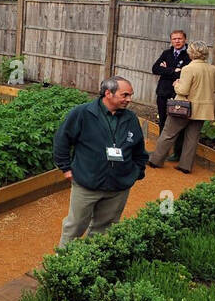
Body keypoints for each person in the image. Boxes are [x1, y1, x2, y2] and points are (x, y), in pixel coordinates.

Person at [53, 76, 148, 246]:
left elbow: (139, 149)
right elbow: (62, 141)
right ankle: (63, 265)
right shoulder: (82, 113)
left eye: (130, 95)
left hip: (118, 186)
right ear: (108, 93)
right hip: (87, 183)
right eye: (125, 95)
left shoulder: (131, 118)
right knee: (74, 226)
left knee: (105, 229)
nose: (129, 99)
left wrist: (136, 172)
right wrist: (66, 169)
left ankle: (91, 263)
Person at [148, 41, 215, 174]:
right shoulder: (212, 68)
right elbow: (213, 88)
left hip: (184, 107)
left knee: (168, 133)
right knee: (192, 138)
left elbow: (183, 90)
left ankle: (155, 160)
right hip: (202, 109)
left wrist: (176, 84)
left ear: (191, 53)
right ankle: (185, 165)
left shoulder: (188, 69)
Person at [151, 29, 192, 161]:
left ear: (184, 39)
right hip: (163, 92)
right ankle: (162, 151)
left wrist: (166, 70)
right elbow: (155, 69)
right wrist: (174, 70)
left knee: (177, 123)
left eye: (179, 39)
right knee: (162, 122)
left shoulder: (189, 55)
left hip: (178, 94)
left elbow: (185, 74)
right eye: (174, 39)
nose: (177, 41)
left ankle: (177, 153)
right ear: (171, 40)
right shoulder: (167, 53)